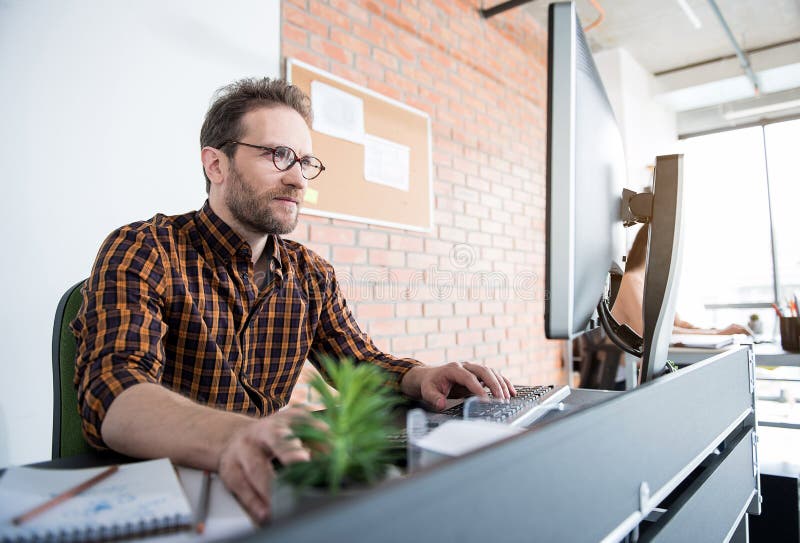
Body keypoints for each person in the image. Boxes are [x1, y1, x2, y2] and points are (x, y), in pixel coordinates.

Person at [71, 77, 515, 522]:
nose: (297, 179)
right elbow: (113, 391)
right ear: (215, 164)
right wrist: (237, 436)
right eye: (277, 155)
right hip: (158, 502)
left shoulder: (311, 274)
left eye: (305, 162)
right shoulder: (146, 247)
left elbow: (358, 362)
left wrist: (420, 376)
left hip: (268, 492)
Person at [611, 224, 751, 337]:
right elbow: (650, 333)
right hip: (629, 366)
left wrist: (714, 331)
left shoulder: (651, 285)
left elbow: (677, 323)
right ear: (650, 248)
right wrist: (717, 333)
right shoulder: (631, 280)